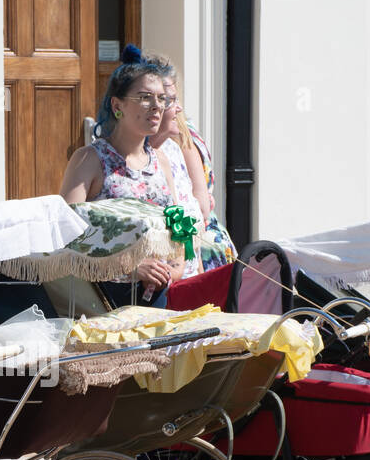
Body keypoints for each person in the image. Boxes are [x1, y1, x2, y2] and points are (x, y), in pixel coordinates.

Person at [58, 45, 196, 305]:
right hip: (102, 301)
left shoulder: (162, 161)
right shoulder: (89, 160)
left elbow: (179, 233)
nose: (156, 106)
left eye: (161, 98)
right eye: (144, 97)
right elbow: (66, 236)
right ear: (117, 105)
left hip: (157, 299)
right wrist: (131, 267)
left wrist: (170, 270)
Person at [143, 53, 237, 268]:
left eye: (170, 98)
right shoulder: (137, 153)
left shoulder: (180, 144)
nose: (178, 108)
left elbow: (197, 209)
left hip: (198, 254)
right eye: (168, 99)